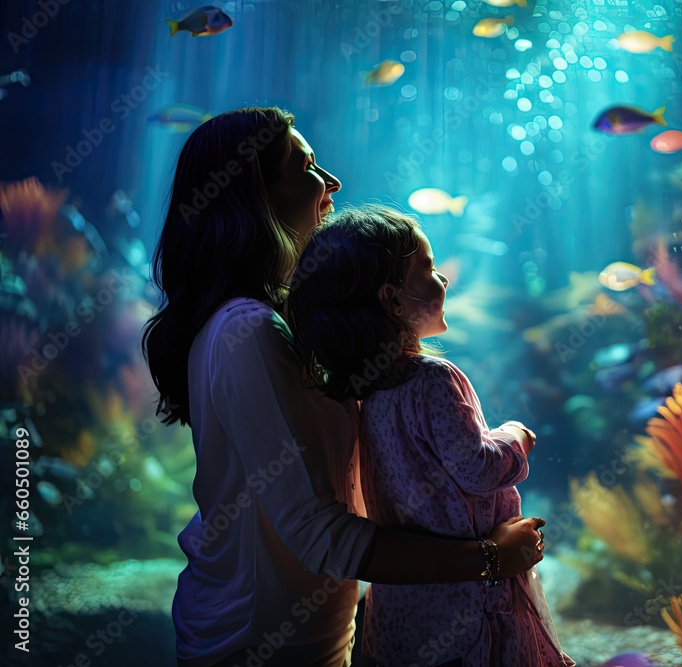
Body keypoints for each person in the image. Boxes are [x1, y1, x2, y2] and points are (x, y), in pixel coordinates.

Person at [141, 107, 545, 667]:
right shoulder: (246, 330)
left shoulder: (273, 322)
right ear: (257, 195)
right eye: (306, 165)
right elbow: (318, 533)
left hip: (308, 635)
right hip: (255, 641)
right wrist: (486, 561)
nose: (331, 183)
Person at [286, 205, 575, 666]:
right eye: (429, 270)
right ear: (392, 301)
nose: (443, 281)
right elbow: (476, 467)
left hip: (404, 611)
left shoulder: (362, 390)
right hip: (466, 605)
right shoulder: (435, 378)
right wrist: (515, 437)